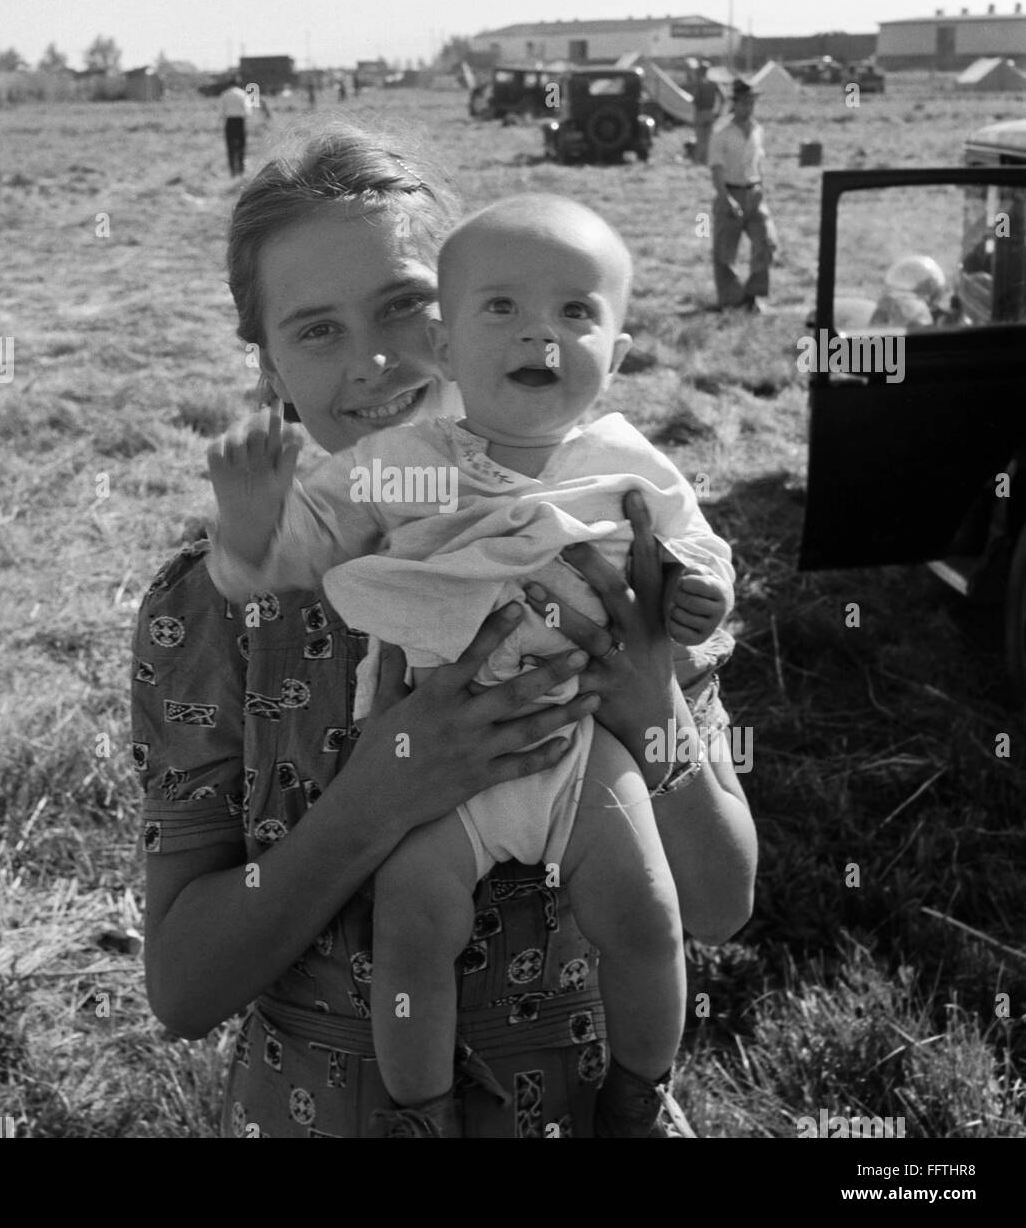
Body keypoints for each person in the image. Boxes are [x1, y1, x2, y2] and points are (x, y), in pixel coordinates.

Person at [134, 125, 757, 1138]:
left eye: (405, 307)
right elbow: (183, 987)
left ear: (466, 311)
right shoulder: (211, 608)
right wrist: (377, 800)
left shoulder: (606, 540)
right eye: (316, 330)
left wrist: (649, 698)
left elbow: (720, 902)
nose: (377, 362)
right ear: (269, 366)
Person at [709, 78, 778, 313]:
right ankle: (731, 300)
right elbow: (716, 169)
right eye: (744, 103)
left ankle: (754, 295)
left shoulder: (758, 130)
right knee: (724, 251)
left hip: (754, 193)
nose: (749, 107)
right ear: (735, 104)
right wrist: (725, 198)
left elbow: (758, 163)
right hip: (730, 191)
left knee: (766, 242)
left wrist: (762, 189)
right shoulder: (721, 132)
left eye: (751, 102)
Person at [218, 74, 270, 178]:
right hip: (240, 122)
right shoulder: (242, 94)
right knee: (241, 146)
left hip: (229, 122)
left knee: (230, 147)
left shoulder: (225, 94)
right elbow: (248, 111)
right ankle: (241, 169)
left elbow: (221, 111)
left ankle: (233, 171)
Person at [690, 61, 723, 166]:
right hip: (710, 113)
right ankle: (706, 161)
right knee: (708, 139)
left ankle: (697, 161)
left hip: (700, 114)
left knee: (700, 139)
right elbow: (723, 97)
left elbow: (695, 100)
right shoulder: (713, 84)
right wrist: (719, 112)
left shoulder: (699, 84)